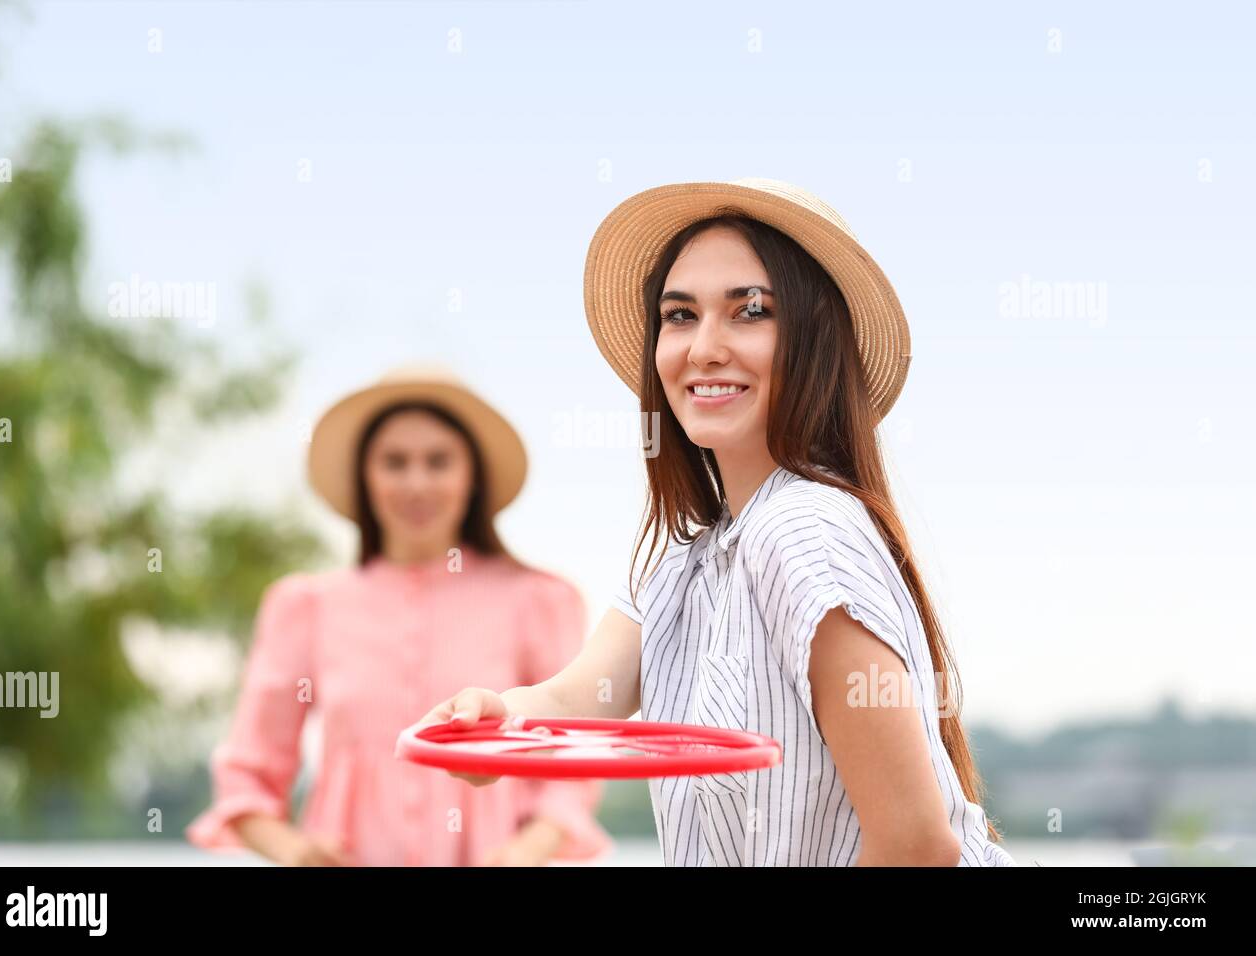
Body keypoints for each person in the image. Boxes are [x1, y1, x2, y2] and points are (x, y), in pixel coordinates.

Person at [415, 178, 1018, 866]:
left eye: (750, 311)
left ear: (815, 342)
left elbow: (915, 845)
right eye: (679, 316)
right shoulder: (685, 556)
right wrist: (497, 721)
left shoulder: (802, 533)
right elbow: (578, 694)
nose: (704, 347)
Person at [186, 363, 612, 866]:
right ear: (365, 477)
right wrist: (298, 852)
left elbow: (571, 760)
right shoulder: (305, 606)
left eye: (438, 462)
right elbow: (246, 775)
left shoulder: (537, 599)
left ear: (471, 476)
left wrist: (522, 853)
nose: (416, 483)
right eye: (394, 462)